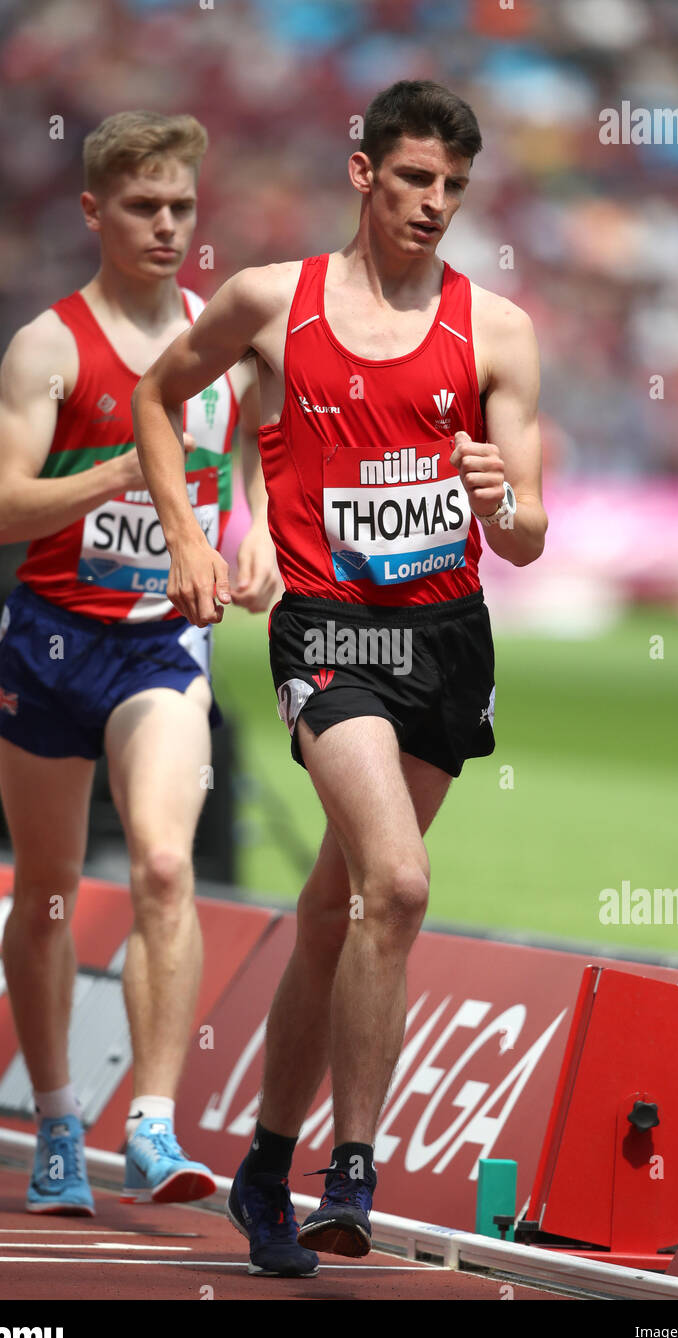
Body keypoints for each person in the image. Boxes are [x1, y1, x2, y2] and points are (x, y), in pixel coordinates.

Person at [132, 80, 547, 1273]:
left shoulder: (497, 329)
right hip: (329, 629)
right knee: (400, 887)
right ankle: (347, 1168)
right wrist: (189, 532)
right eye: (415, 179)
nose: (434, 205)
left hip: (446, 639)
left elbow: (525, 532)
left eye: (454, 187)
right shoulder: (271, 301)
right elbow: (163, 397)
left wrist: (498, 500)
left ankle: (263, 1163)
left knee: (337, 906)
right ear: (363, 173)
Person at [0, 111, 278, 1221]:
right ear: (94, 212)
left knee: (161, 863)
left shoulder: (221, 339)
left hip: (160, 641)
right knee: (48, 891)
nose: (166, 224)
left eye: (182, 207)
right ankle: (58, 1120)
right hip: (54, 642)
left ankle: (150, 1124)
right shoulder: (49, 347)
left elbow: (251, 464)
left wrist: (255, 543)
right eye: (143, 206)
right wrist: (117, 477)